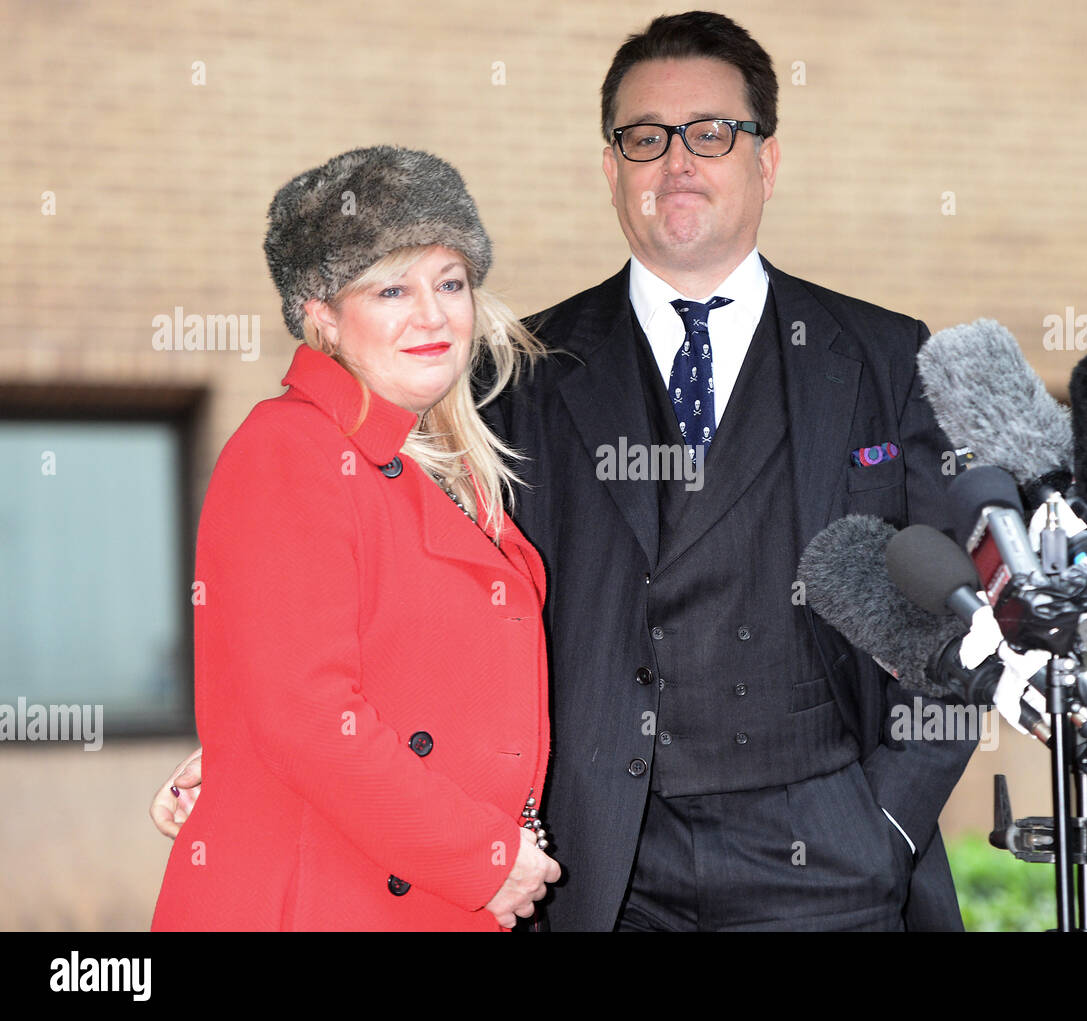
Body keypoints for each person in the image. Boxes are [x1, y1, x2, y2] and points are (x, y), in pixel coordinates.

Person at [152, 12, 975, 931]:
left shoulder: (888, 356)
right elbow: (370, 615)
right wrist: (243, 756)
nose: (678, 162)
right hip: (597, 863)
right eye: (644, 138)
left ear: (767, 160)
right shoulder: (512, 374)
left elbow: (963, 616)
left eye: (711, 133)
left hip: (828, 850)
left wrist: (888, 818)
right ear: (610, 169)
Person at [150, 145, 559, 931]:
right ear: (323, 315)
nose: (433, 314)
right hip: (326, 900)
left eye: (451, 282)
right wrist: (484, 857)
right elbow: (306, 710)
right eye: (392, 288)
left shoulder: (456, 467)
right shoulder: (290, 449)